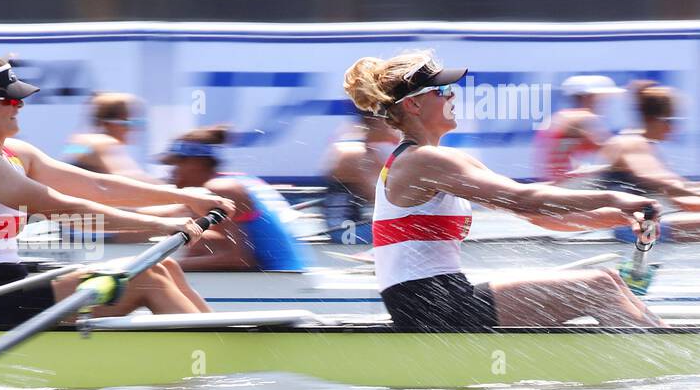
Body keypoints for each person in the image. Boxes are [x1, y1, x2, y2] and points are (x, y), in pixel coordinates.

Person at [342, 50, 662, 329]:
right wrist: (613, 196)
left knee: (610, 280)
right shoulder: (423, 161)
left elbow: (539, 217)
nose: (453, 96)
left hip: (441, 297)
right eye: (443, 91)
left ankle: (668, 350)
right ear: (413, 105)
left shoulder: (443, 160)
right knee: (599, 287)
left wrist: (620, 217)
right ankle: (664, 368)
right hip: (429, 307)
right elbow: (525, 199)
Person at [0, 37, 234, 326]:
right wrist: (162, 225)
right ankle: (214, 367)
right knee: (146, 279)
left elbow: (98, 186)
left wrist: (183, 197)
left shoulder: (16, 154)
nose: (18, 105)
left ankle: (224, 340)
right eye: (8, 99)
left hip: (7, 283)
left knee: (164, 266)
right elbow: (66, 208)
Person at [159, 125, 310, 271]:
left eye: (176, 164)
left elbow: (239, 259)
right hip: (286, 273)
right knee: (194, 233)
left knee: (194, 238)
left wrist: (165, 266)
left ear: (197, 162)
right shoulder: (235, 181)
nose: (172, 172)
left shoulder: (221, 189)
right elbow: (170, 214)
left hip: (278, 277)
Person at [596, 81, 700, 242]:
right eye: (671, 121)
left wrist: (694, 191)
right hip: (631, 230)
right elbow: (659, 182)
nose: (674, 128)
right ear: (656, 119)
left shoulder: (641, 144)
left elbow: (680, 197)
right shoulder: (630, 143)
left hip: (638, 227)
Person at [320, 114, 400, 244]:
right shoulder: (352, 154)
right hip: (344, 231)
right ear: (378, 123)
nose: (396, 129)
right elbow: (378, 197)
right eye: (391, 123)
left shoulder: (371, 151)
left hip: (358, 224)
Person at [533, 75, 621, 184]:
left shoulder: (560, 117)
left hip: (555, 183)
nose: (605, 103)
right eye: (602, 97)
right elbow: (616, 152)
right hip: (566, 186)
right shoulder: (583, 118)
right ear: (587, 97)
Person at [61, 92, 156, 182]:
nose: (134, 129)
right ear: (106, 123)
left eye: (139, 122)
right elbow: (128, 180)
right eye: (128, 123)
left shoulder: (80, 141)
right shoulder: (98, 143)